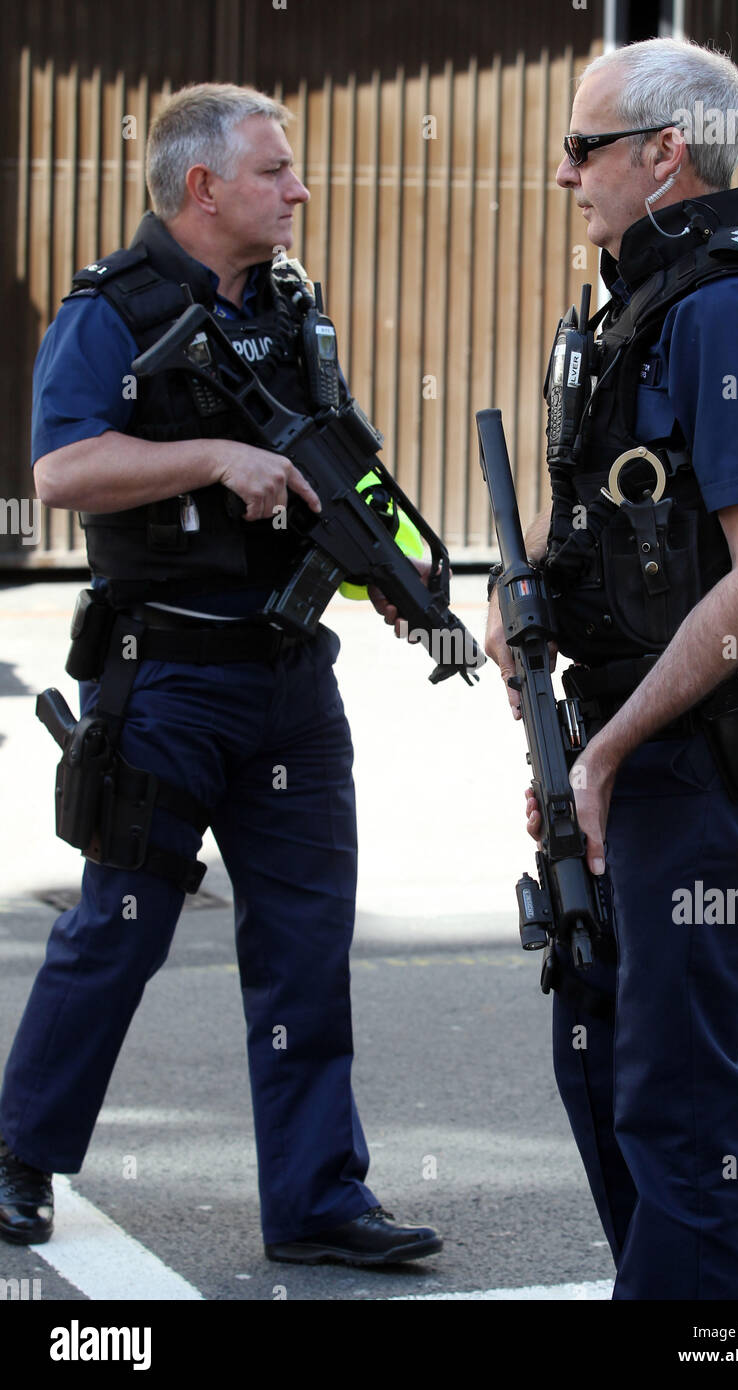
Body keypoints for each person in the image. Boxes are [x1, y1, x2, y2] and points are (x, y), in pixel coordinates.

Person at [0, 83, 442, 1268]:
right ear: (203, 188)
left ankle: (317, 1200)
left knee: (303, 943)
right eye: (275, 171)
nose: (299, 189)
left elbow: (338, 478)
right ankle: (18, 1155)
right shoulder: (109, 310)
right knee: (122, 926)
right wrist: (210, 456)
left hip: (291, 679)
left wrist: (402, 586)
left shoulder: (293, 311)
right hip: (166, 678)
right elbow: (60, 469)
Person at [485, 37, 738, 1299]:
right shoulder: (641, 299)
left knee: (677, 1100)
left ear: (664, 153)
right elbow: (609, 519)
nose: (560, 173)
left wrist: (605, 749)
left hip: (699, 756)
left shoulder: (728, 306)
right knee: (599, 1064)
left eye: (581, 148)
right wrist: (518, 586)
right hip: (628, 746)